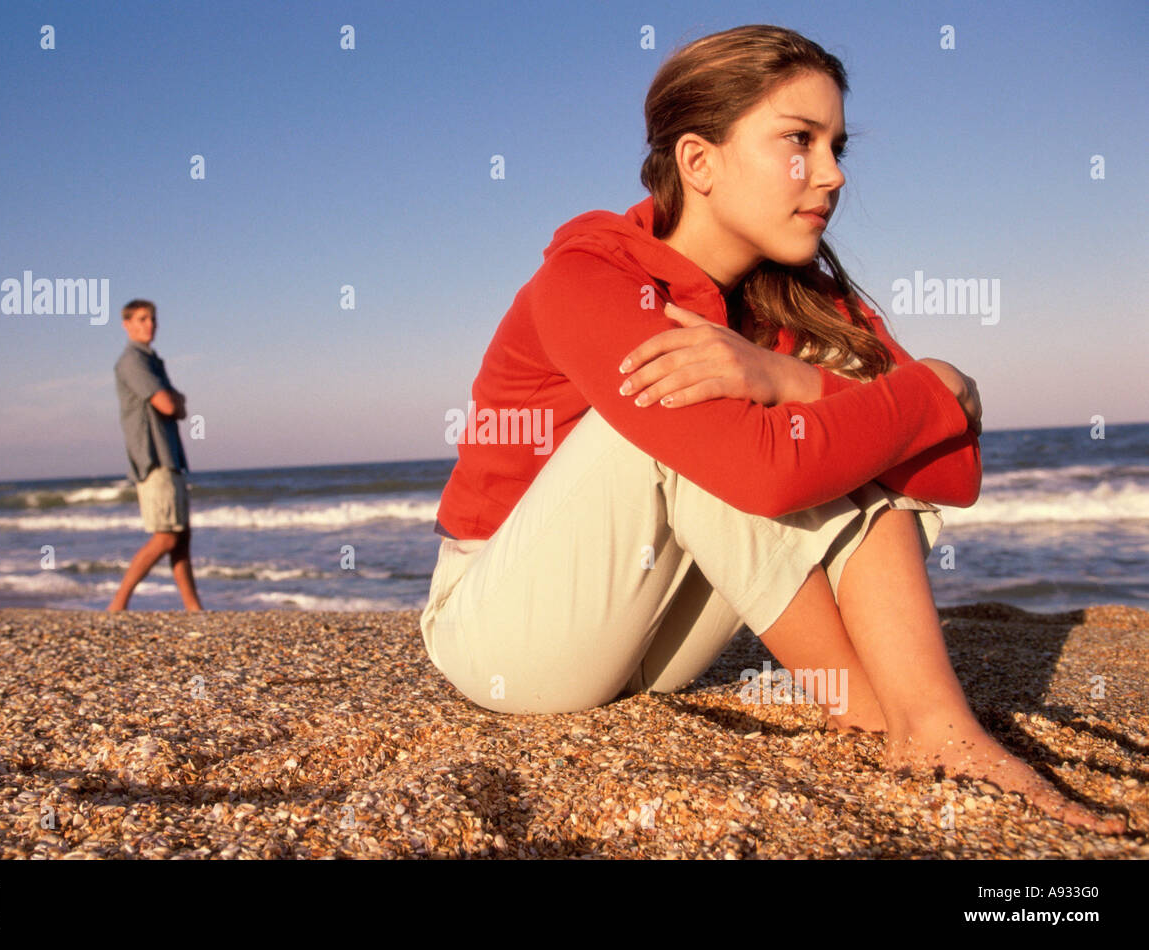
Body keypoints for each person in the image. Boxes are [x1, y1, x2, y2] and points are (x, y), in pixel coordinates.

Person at [420, 25, 1122, 834]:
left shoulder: (808, 299)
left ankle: (927, 724)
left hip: (652, 649)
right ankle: (884, 713)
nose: (831, 175)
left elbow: (949, 477)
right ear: (700, 162)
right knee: (697, 412)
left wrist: (791, 379)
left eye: (837, 145)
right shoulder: (589, 278)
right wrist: (933, 385)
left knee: (840, 418)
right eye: (798, 140)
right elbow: (769, 475)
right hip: (505, 637)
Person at [107, 299, 203, 612]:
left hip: (170, 457)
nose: (150, 325)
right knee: (165, 538)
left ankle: (193, 608)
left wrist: (177, 401)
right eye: (142, 319)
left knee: (181, 536)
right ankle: (118, 604)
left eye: (153, 319)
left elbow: (180, 407)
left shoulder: (152, 361)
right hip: (154, 459)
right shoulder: (133, 361)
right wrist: (176, 399)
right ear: (127, 324)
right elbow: (171, 405)